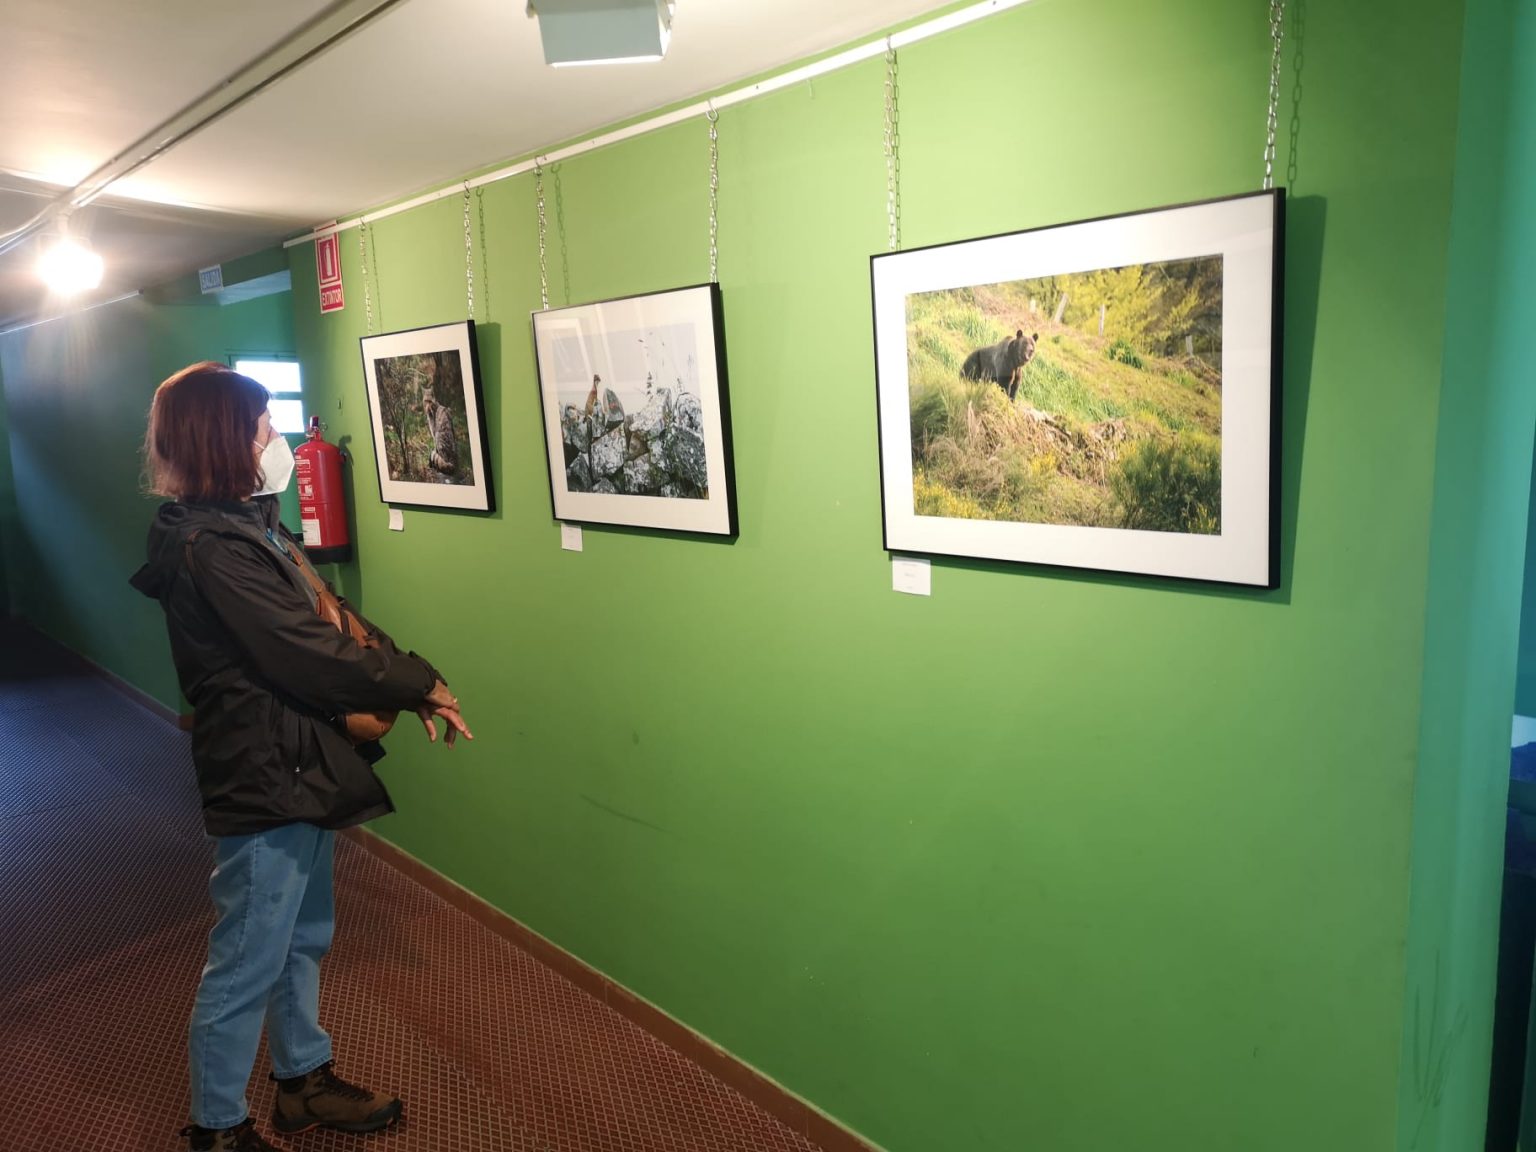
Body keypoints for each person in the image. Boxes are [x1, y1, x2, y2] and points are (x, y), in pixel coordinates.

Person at [130, 362, 471, 1152]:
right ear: (225, 436)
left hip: (300, 760)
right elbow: (308, 653)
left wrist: (410, 679)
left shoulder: (249, 525)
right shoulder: (212, 547)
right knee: (247, 957)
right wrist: (420, 679)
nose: (273, 440)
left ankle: (302, 1083)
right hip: (264, 772)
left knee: (301, 935)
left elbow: (333, 616)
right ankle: (218, 1130)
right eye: (261, 427)